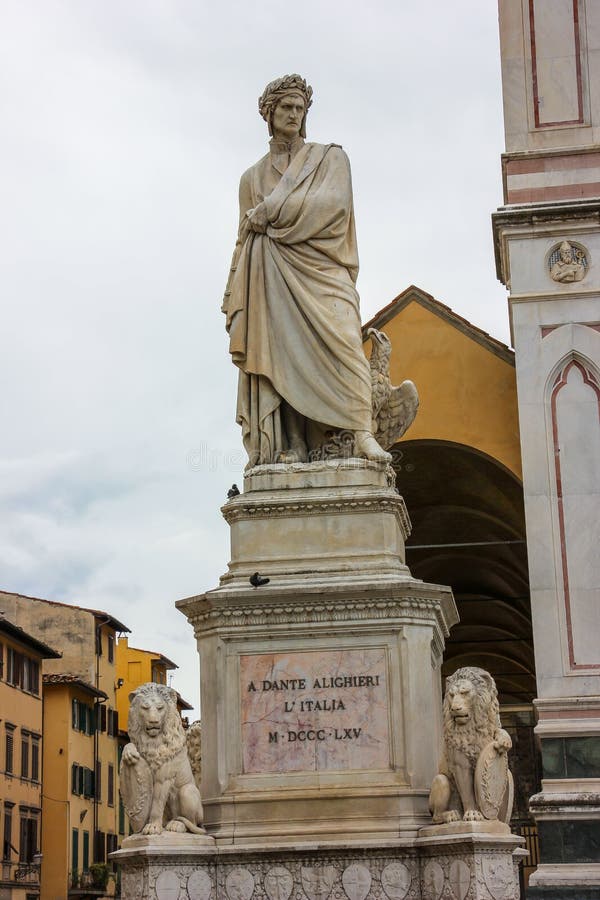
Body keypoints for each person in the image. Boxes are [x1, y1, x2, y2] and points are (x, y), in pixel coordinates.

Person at [222, 74, 390, 468]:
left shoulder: (330, 159)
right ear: (269, 114)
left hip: (324, 269)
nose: (294, 115)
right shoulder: (252, 178)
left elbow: (334, 207)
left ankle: (361, 431)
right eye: (286, 108)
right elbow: (244, 235)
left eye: (300, 108)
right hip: (273, 276)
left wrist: (272, 213)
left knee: (346, 338)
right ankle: (292, 444)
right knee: (281, 353)